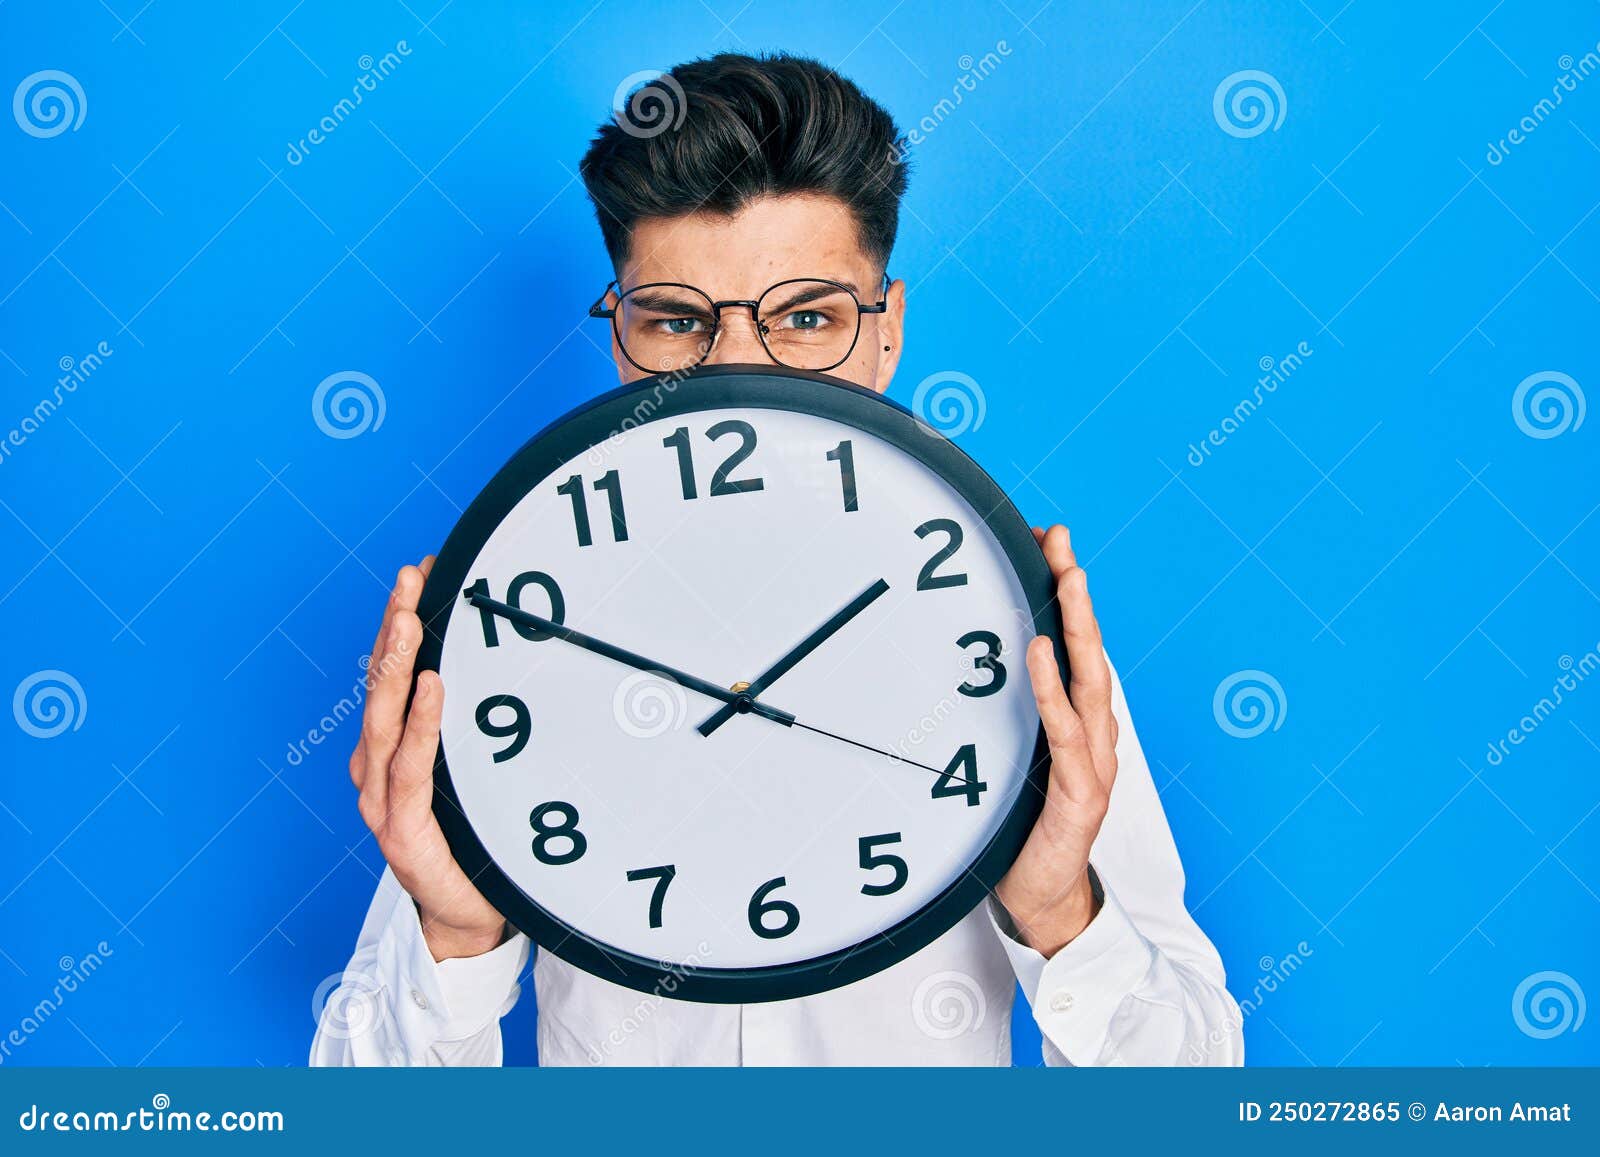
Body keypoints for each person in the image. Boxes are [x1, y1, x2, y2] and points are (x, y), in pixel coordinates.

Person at [312, 52, 1242, 1067]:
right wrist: (454, 936)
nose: (743, 371)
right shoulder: (522, 629)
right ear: (622, 338)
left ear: (885, 333)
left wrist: (1062, 909)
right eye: (675, 319)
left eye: (807, 318)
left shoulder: (1006, 627)